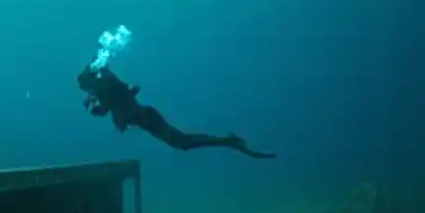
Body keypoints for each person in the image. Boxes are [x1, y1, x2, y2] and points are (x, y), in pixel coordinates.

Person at [77, 64, 276, 159]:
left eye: (85, 88)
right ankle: (230, 141)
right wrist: (94, 106)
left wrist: (97, 103)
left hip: (147, 118)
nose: (87, 91)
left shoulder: (108, 89)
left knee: (183, 142)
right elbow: (107, 109)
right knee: (183, 143)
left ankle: (231, 141)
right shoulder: (104, 92)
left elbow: (119, 97)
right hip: (144, 119)